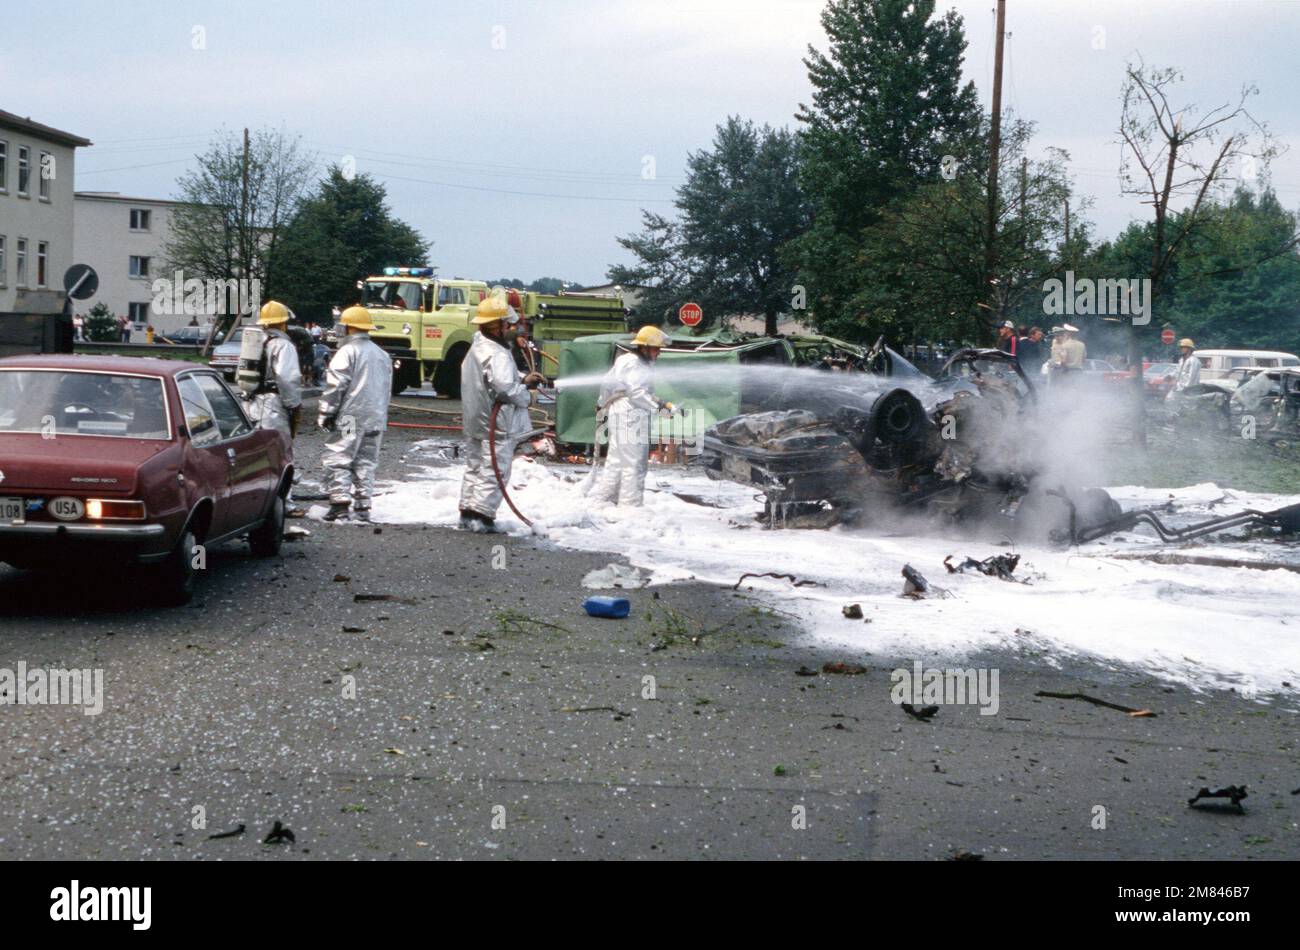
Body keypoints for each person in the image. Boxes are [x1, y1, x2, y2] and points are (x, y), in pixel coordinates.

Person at [458, 292, 544, 532]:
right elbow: (506, 388)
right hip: (497, 423)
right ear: (495, 326)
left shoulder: (479, 346)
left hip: (477, 419)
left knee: (475, 466)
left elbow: (497, 378)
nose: (510, 328)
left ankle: (468, 513)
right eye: (507, 324)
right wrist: (527, 393)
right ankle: (483, 517)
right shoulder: (497, 353)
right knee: (495, 469)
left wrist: (522, 378)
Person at [318, 306, 393, 522]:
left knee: (340, 456)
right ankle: (363, 505)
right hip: (376, 417)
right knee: (367, 460)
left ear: (348, 327)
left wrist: (326, 412)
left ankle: (340, 503)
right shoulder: (382, 354)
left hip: (351, 417)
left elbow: (336, 385)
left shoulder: (347, 352)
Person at [592, 325, 677, 507]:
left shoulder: (625, 359)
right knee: (635, 462)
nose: (659, 353)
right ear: (644, 347)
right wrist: (659, 409)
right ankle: (630, 506)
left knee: (617, 459)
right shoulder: (636, 364)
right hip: (631, 413)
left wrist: (603, 403)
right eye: (656, 349)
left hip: (620, 409)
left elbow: (608, 383)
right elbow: (637, 393)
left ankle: (605, 499)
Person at [246, 301, 303, 449]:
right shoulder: (283, 345)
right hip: (273, 408)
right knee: (280, 456)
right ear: (284, 322)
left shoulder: (255, 341)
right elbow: (287, 378)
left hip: (251, 406)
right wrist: (294, 405)